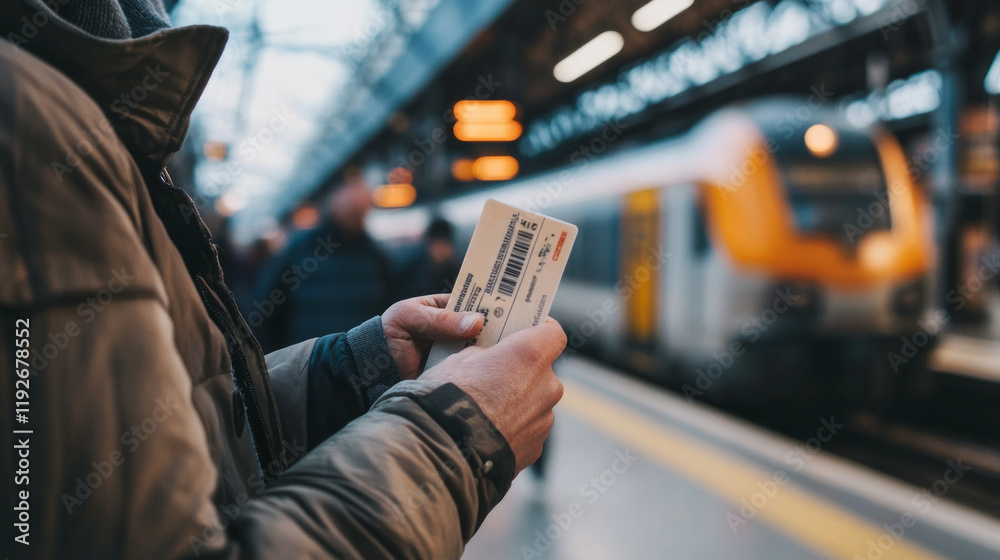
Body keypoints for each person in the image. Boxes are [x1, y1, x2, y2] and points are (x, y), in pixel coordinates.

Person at [0, 1, 566, 558]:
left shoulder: (85, 114)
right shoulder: (34, 122)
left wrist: (355, 368)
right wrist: (458, 438)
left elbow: (198, 422)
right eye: (353, 185)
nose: (363, 196)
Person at [254, 179, 395, 352]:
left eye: (360, 212)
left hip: (359, 361)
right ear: (334, 204)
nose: (356, 217)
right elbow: (267, 306)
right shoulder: (300, 248)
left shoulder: (376, 255)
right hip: (307, 363)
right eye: (353, 210)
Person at [399, 217, 462, 298]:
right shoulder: (414, 270)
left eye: (445, 245)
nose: (441, 250)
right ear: (429, 245)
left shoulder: (456, 270)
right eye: (438, 245)